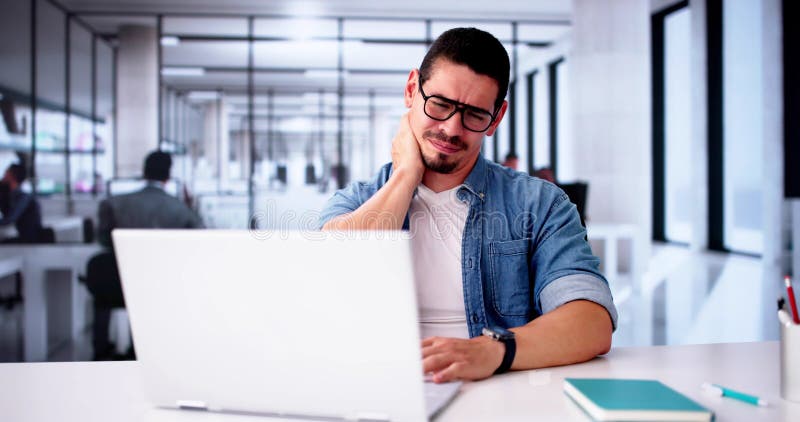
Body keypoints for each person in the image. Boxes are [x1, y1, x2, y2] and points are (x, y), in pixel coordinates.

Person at [318, 28, 616, 383]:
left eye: (474, 114)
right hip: (381, 388)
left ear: (497, 117)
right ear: (412, 90)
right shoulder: (355, 201)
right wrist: (406, 175)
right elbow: (330, 282)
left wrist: (494, 350)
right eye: (440, 105)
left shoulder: (540, 204)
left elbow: (592, 322)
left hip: (497, 393)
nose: (452, 129)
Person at [90, 150, 203, 360]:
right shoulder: (180, 209)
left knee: (102, 275)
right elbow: (197, 243)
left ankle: (101, 351)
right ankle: (143, 352)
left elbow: (104, 240)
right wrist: (191, 207)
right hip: (161, 283)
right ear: (168, 176)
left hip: (118, 281)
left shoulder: (113, 203)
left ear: (144, 172)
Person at [0, 162, 44, 243]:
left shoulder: (24, 197)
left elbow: (10, 218)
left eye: (6, 172)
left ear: (12, 176)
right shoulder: (9, 195)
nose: (3, 175)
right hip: (24, 238)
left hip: (31, 240)